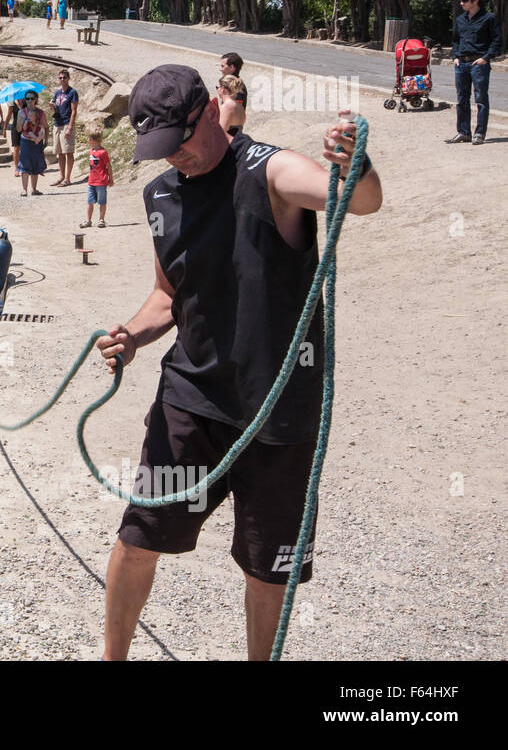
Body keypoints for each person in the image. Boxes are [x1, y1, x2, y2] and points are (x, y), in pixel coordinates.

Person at [94, 64, 384, 661]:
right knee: (138, 536)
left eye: (180, 142)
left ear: (209, 110)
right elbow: (169, 294)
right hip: (190, 399)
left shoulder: (270, 171)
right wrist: (133, 333)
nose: (174, 158)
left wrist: (357, 162)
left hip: (277, 411)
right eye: (160, 150)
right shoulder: (161, 196)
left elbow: (363, 201)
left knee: (265, 567)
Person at [447, 0, 502, 145]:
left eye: (465, 0)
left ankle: (479, 134)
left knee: (481, 99)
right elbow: (455, 40)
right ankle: (464, 132)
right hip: (461, 63)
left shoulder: (489, 18)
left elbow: (497, 41)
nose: (461, 3)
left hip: (479, 63)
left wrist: (485, 58)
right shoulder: (460, 20)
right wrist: (455, 56)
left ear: (475, 1)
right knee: (462, 99)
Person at [50, 69, 79, 185]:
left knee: (68, 152)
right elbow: (56, 110)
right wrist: (52, 107)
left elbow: (74, 111)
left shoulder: (72, 93)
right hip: (57, 124)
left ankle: (68, 178)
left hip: (67, 123)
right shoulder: (57, 93)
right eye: (60, 78)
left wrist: (70, 127)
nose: (62, 80)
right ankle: (61, 176)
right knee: (60, 152)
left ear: (68, 78)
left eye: (64, 77)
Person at [79, 127, 112, 226]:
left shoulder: (103, 152)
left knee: (102, 202)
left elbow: (108, 166)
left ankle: (101, 220)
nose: (88, 141)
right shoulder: (91, 151)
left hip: (101, 181)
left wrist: (111, 178)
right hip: (91, 181)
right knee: (90, 202)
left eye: (89, 139)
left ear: (93, 140)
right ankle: (88, 221)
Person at [17, 90, 48, 195]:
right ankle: (24, 189)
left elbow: (46, 127)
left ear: (36, 99)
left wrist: (46, 139)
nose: (29, 100)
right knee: (25, 165)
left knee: (35, 164)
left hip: (37, 142)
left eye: (32, 98)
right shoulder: (22, 112)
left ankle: (34, 189)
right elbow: (18, 129)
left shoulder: (40, 113)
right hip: (26, 141)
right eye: (27, 98)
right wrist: (23, 120)